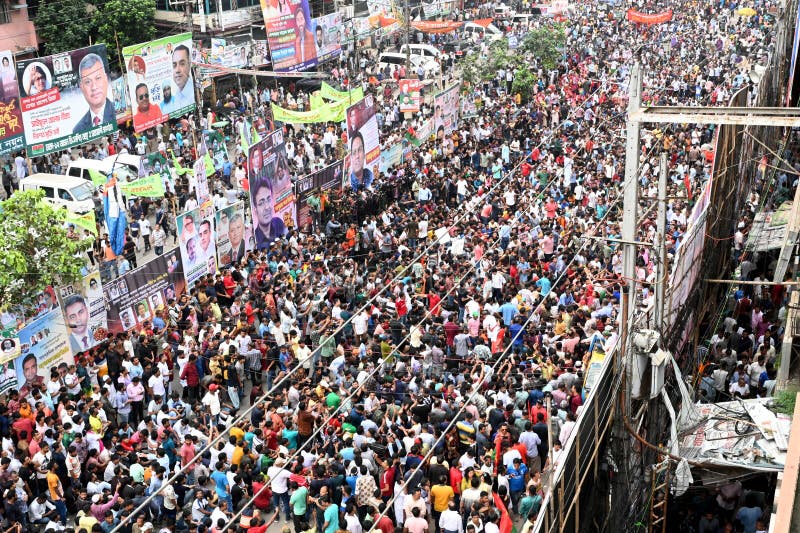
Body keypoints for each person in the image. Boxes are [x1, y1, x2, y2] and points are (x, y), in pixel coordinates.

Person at [73, 53, 114, 133]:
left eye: (98, 78)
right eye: (87, 82)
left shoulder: (117, 112)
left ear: (105, 79)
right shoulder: (78, 130)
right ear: (81, 87)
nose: (94, 87)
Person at [251, 177, 285, 249]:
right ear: (255, 209)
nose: (267, 207)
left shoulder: (279, 224)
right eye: (261, 203)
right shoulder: (255, 238)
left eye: (269, 199)